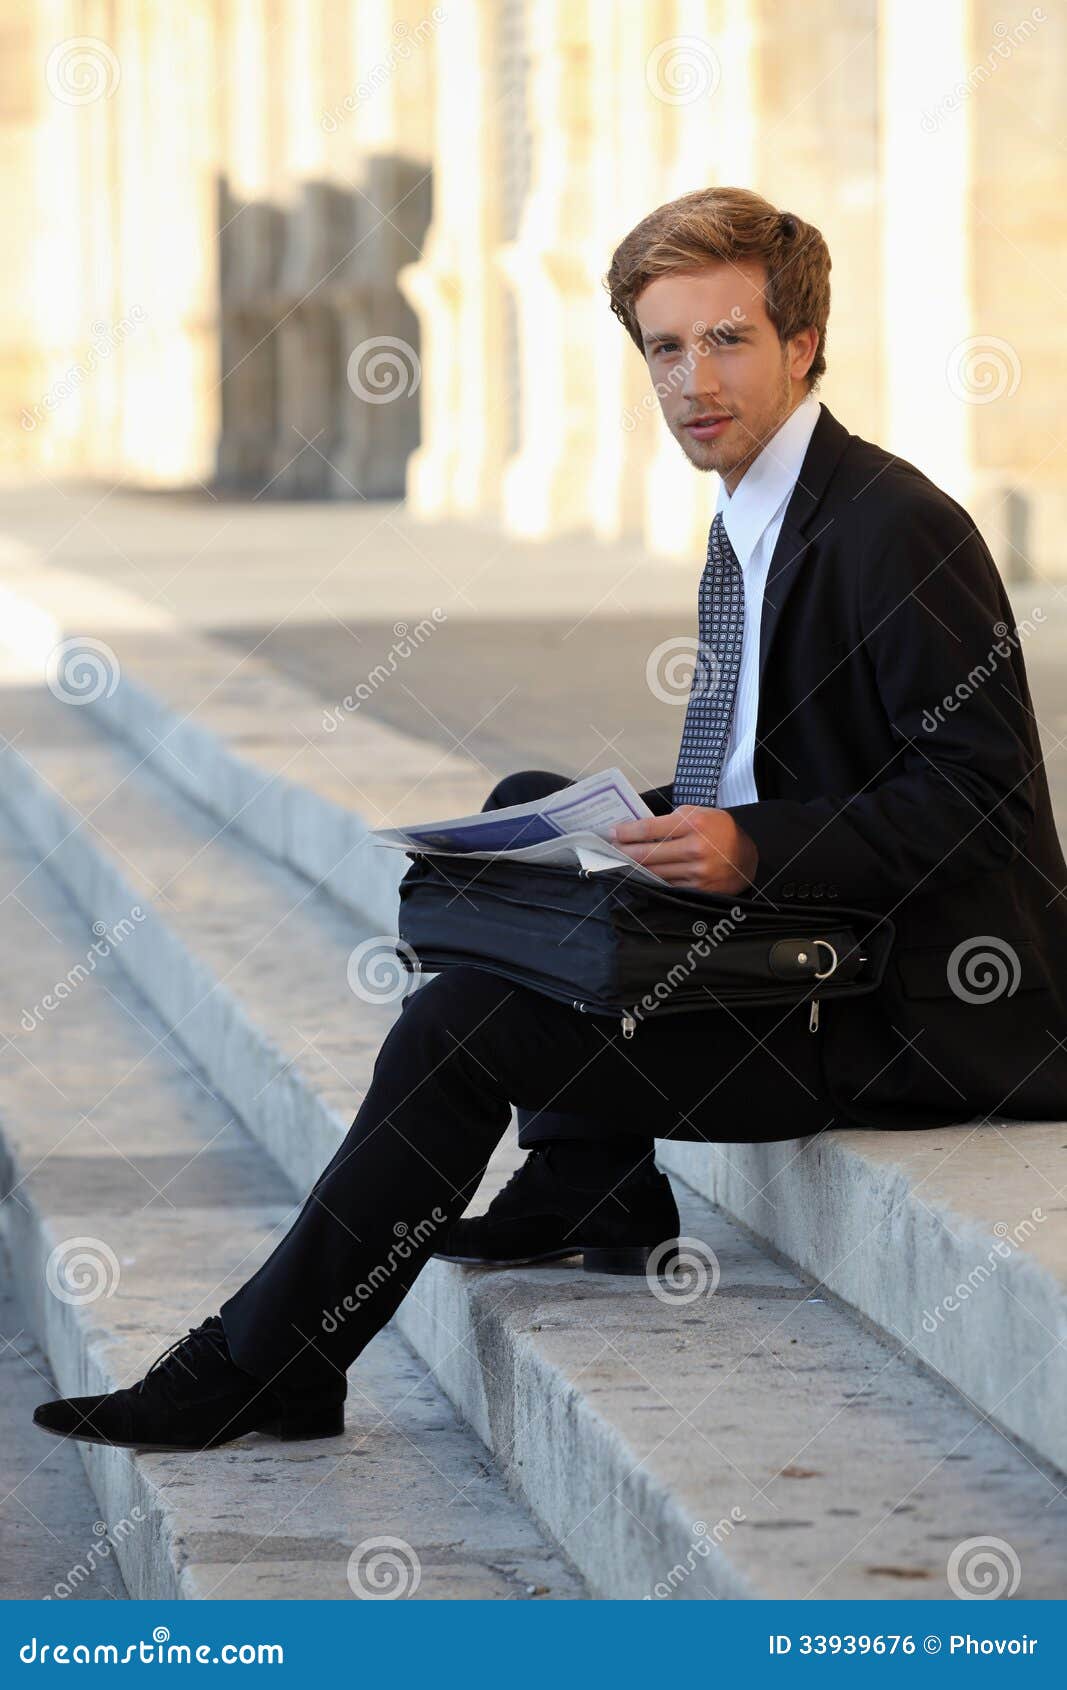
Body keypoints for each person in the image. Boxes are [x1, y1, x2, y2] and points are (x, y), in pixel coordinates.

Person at [32, 186, 1067, 1453]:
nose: (693, 379)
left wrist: (751, 845)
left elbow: (977, 798)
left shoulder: (891, 526)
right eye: (664, 348)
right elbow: (772, 753)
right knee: (525, 810)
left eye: (727, 340)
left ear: (802, 345)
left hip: (901, 1005)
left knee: (461, 1025)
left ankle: (270, 1363)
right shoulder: (756, 506)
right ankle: (591, 1179)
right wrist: (678, 819)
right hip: (806, 930)